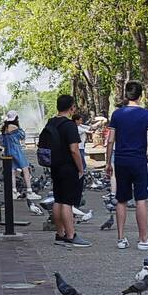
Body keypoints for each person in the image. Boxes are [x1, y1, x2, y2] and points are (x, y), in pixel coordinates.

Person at [105, 80, 148, 251]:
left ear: (126, 94)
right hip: (139, 160)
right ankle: (143, 239)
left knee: (121, 200)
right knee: (141, 200)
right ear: (141, 95)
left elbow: (110, 140)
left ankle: (121, 238)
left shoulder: (117, 114)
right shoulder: (147, 115)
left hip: (121, 160)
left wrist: (108, 162)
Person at [42, 94, 90, 247]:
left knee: (58, 199)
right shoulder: (69, 126)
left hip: (54, 165)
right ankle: (71, 235)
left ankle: (60, 233)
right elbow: (74, 150)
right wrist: (80, 168)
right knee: (67, 202)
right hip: (68, 167)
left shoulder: (51, 122)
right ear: (71, 108)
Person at [0, 111, 38, 200]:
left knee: (12, 171)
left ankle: (14, 192)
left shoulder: (5, 128)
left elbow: (2, 142)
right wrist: (20, 127)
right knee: (25, 169)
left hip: (8, 151)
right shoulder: (15, 127)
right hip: (16, 150)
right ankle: (29, 191)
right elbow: (22, 136)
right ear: (16, 118)